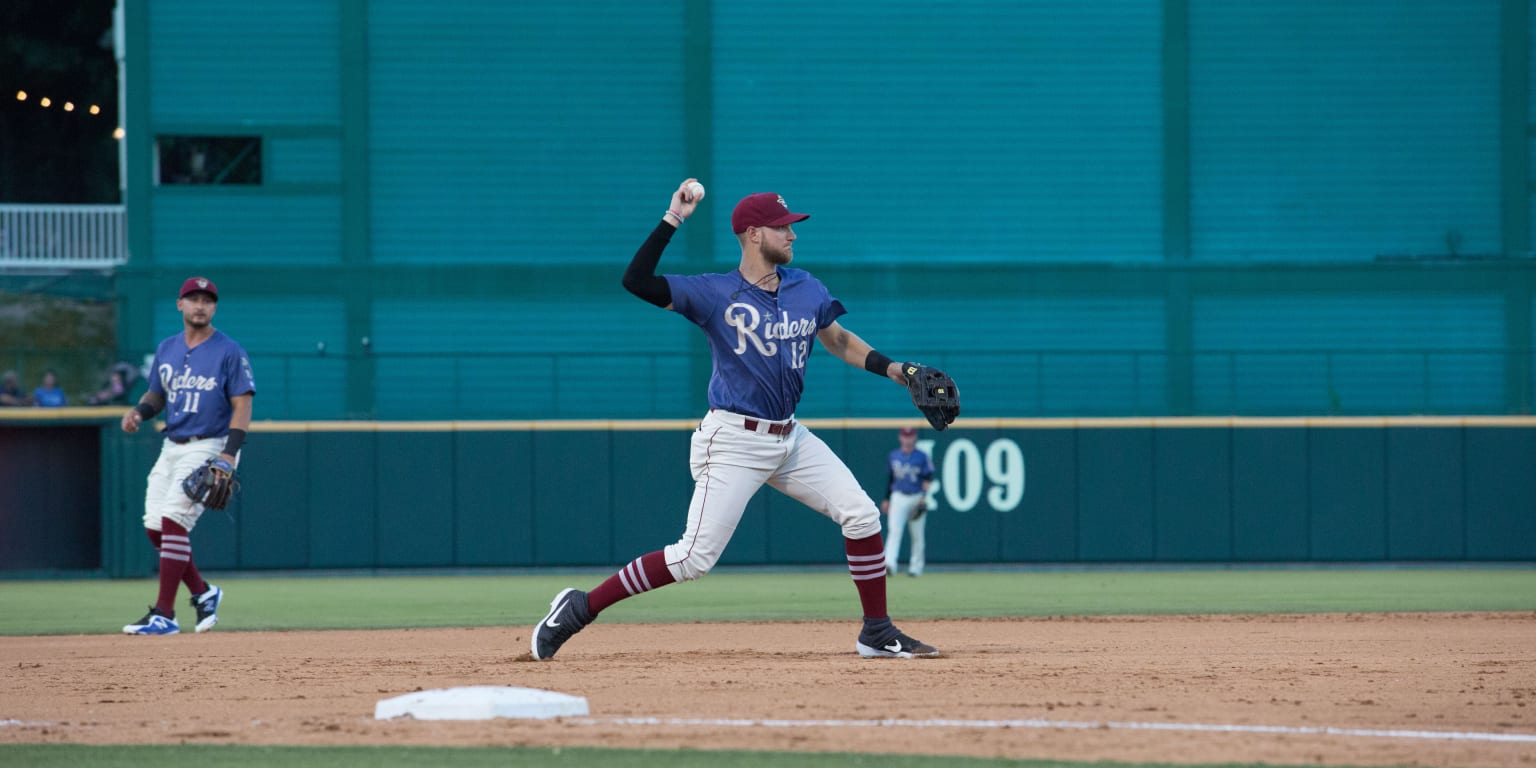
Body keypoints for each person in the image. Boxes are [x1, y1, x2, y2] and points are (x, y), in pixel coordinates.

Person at [530, 180, 940, 661]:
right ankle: (579, 607)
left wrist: (897, 370)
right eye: (782, 227)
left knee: (862, 515)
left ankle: (877, 631)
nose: (792, 234)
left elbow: (839, 340)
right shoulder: (714, 293)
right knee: (692, 558)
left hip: (789, 437)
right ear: (753, 234)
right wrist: (673, 218)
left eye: (791, 226)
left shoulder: (806, 287)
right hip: (733, 440)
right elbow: (636, 281)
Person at [120, 276, 255, 635]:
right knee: (154, 527)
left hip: (210, 445)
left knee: (174, 520)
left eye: (207, 300)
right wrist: (139, 412)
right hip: (172, 444)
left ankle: (164, 613)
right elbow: (156, 395)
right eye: (194, 299)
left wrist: (229, 454)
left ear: (214, 308)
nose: (200, 305)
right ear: (180, 304)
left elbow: (242, 404)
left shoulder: (230, 351)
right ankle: (202, 592)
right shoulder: (167, 348)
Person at [881, 427, 935, 577]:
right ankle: (889, 564)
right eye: (905, 436)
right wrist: (886, 498)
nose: (907, 439)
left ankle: (915, 568)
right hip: (898, 496)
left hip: (916, 497)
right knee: (894, 531)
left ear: (915, 437)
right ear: (900, 437)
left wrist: (923, 498)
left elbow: (928, 477)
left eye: (910, 436)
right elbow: (890, 479)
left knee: (917, 535)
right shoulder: (894, 455)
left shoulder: (921, 457)